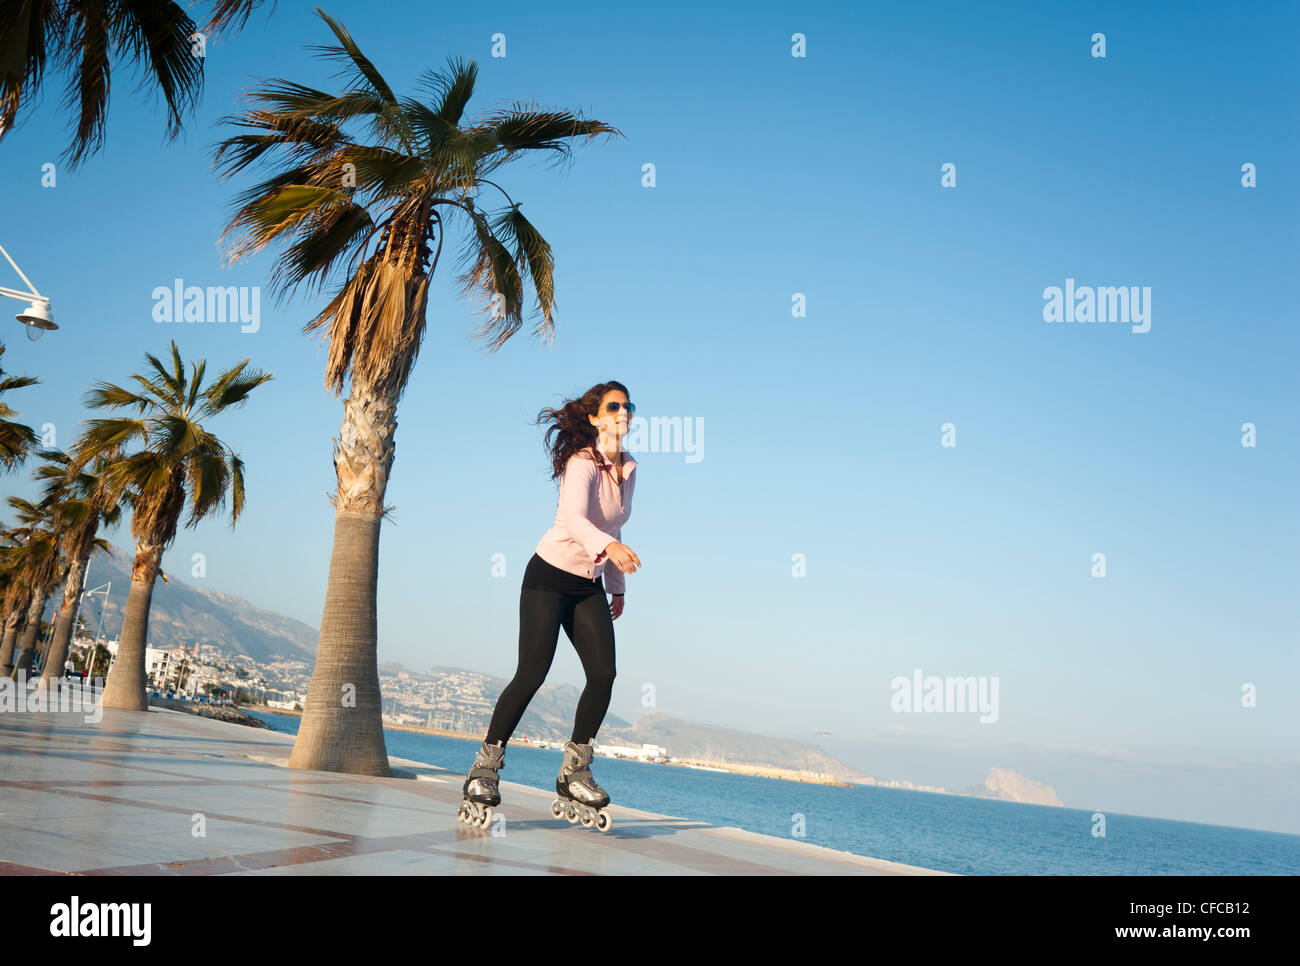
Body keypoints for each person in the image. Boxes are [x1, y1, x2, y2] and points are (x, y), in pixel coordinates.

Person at [456, 381, 641, 830]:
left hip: (588, 584)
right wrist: (610, 552)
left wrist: (616, 586)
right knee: (532, 673)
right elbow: (578, 521)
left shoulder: (630, 469)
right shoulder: (581, 463)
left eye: (628, 406)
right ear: (596, 417)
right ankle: (484, 768)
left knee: (604, 674)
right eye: (613, 406)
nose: (623, 412)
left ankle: (574, 769)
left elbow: (613, 526)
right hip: (548, 577)